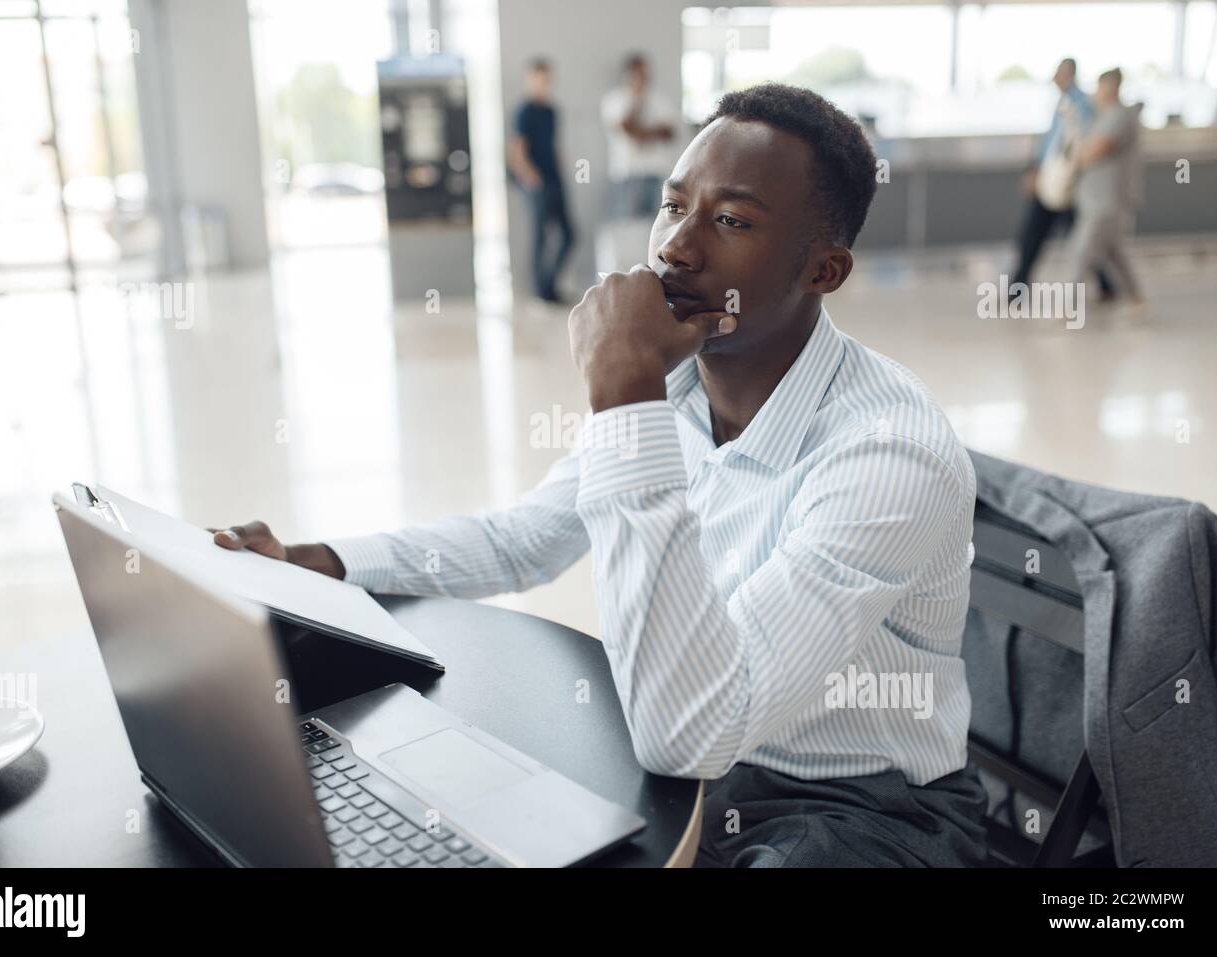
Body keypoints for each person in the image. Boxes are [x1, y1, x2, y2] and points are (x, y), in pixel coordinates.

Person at [216, 83, 989, 868]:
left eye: (730, 220)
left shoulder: (891, 451)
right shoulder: (681, 386)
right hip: (696, 774)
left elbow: (692, 729)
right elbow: (526, 540)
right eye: (672, 205)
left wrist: (624, 394)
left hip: (860, 809)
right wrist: (328, 563)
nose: (676, 248)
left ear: (825, 270)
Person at [1010, 58, 1114, 300]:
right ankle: (1017, 288)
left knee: (1058, 237)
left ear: (1068, 73)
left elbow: (1073, 146)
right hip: (1053, 180)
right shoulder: (1065, 103)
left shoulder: (1079, 105)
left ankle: (1017, 289)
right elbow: (1051, 144)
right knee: (1055, 236)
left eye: (1058, 72)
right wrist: (1037, 170)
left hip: (1064, 184)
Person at [1068, 68, 1145, 314]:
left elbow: (1093, 150)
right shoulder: (1100, 117)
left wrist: (1079, 155)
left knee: (1080, 251)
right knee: (1114, 253)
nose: (1095, 93)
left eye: (1099, 87)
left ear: (1110, 88)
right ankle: (1137, 299)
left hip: (1108, 200)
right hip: (1095, 198)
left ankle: (1065, 308)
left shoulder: (1119, 117)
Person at [508, 58, 574, 303]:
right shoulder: (523, 112)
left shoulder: (551, 111)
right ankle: (542, 292)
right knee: (541, 237)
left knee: (569, 235)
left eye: (547, 79)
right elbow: (517, 151)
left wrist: (560, 170)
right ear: (530, 80)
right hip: (536, 183)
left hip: (555, 180)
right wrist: (532, 180)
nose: (543, 84)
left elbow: (554, 145)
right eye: (538, 79)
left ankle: (549, 285)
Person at [601, 53, 679, 218]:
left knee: (658, 225)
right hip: (627, 174)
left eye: (645, 73)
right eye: (638, 73)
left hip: (656, 172)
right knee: (628, 227)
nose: (643, 78)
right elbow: (627, 130)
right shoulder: (614, 99)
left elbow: (669, 133)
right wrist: (637, 103)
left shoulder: (660, 98)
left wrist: (643, 132)